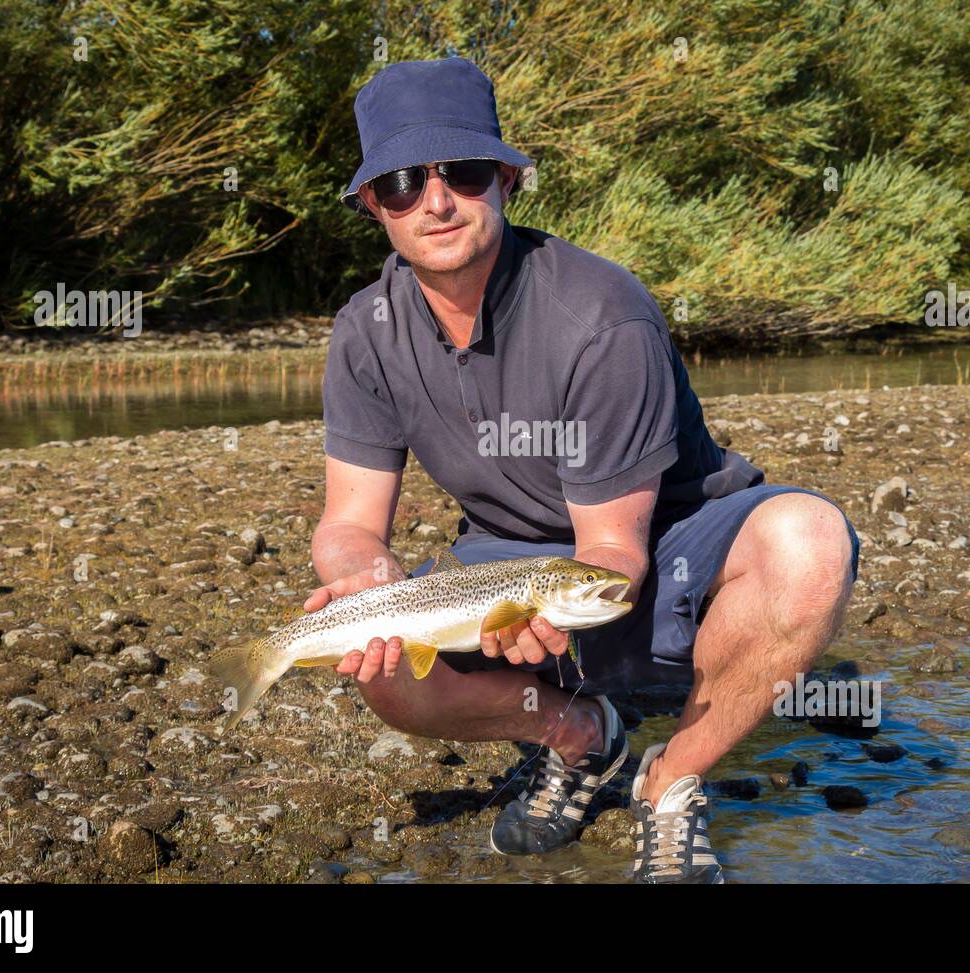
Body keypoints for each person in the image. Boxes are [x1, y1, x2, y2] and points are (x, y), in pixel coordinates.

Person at [305, 56, 860, 884]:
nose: (436, 200)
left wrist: (545, 608)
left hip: (662, 549)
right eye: (400, 183)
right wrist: (369, 579)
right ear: (370, 205)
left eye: (460, 171)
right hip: (508, 558)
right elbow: (349, 527)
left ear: (504, 178)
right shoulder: (364, 330)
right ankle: (584, 737)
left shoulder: (601, 315)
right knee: (392, 681)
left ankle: (672, 778)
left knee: (811, 542)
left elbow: (612, 548)